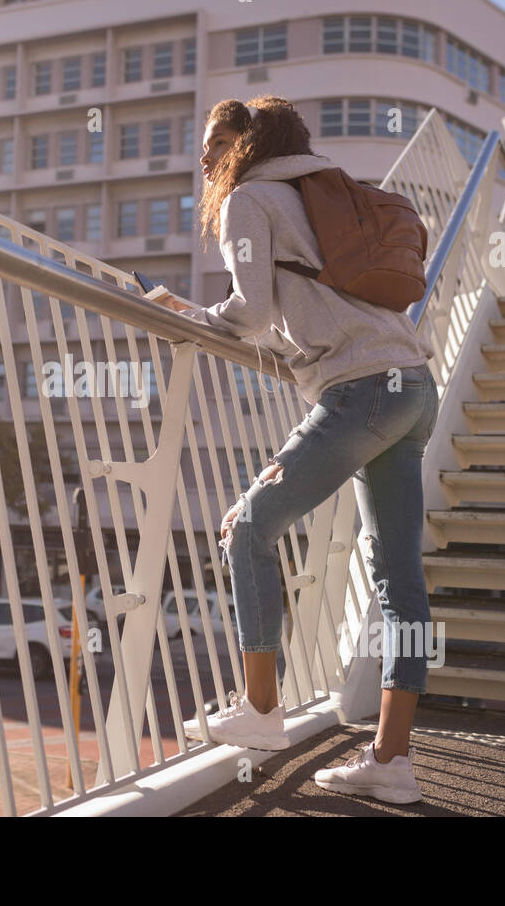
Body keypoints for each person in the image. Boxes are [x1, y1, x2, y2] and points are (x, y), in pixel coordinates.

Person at [174, 95, 438, 805]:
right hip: (412, 386)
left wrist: (189, 317)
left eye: (215, 143)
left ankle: (261, 713)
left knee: (247, 527)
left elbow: (252, 312)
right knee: (401, 581)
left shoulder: (250, 200)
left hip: (362, 394)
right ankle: (392, 759)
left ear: (246, 145)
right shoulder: (328, 191)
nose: (204, 160)